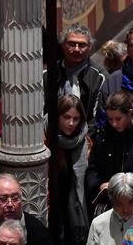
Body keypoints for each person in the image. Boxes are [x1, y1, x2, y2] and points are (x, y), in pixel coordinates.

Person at [86, 91, 133, 209]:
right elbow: (93, 168)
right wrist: (100, 184)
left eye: (118, 119)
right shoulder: (102, 136)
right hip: (108, 202)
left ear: (130, 113)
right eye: (110, 119)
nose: (114, 124)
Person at [50, 94, 90, 244]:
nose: (71, 123)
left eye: (76, 118)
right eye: (66, 117)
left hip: (74, 208)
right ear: (57, 116)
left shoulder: (84, 140)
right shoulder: (44, 137)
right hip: (51, 205)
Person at [86, 173, 133, 245]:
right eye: (119, 204)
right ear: (111, 200)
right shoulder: (98, 224)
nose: (125, 210)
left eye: (130, 202)